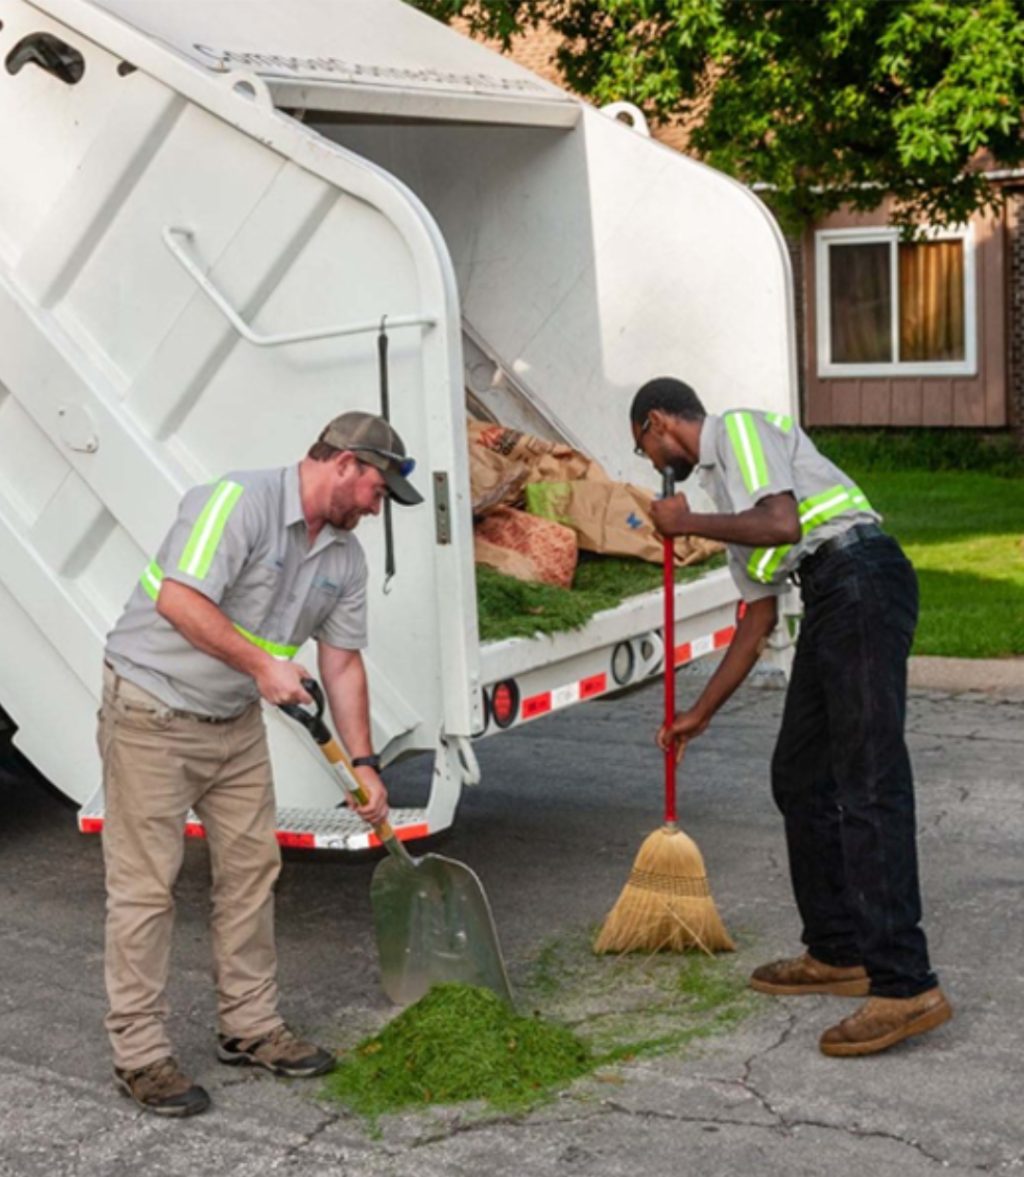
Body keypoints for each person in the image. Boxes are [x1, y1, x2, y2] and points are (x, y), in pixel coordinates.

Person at [99, 411, 422, 1116]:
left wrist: (365, 762)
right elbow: (177, 596)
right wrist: (262, 665)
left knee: (252, 872)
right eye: (377, 489)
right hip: (150, 710)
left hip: (232, 722)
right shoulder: (234, 501)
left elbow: (341, 662)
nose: (377, 507)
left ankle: (248, 1026)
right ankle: (141, 1054)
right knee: (147, 886)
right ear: (343, 463)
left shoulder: (345, 557)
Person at [630, 377, 952, 1057]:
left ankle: (905, 983)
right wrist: (699, 712)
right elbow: (759, 617)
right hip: (832, 595)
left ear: (659, 421)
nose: (654, 464)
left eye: (646, 447)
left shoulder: (739, 431)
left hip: (862, 576)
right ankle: (838, 949)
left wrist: (684, 524)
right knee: (801, 775)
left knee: (868, 783)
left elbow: (786, 523)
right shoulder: (728, 496)